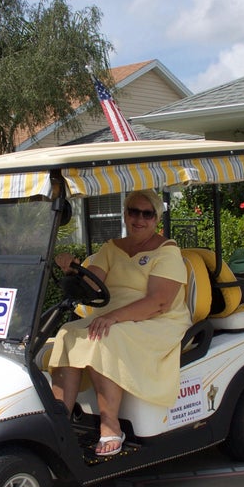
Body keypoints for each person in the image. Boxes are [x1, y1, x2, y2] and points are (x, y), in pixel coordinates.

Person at [47, 188, 192, 457]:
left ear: (156, 219)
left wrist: (112, 317)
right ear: (125, 214)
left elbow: (159, 302)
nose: (139, 219)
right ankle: (59, 423)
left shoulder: (166, 252)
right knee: (67, 332)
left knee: (105, 336)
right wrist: (73, 268)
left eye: (146, 214)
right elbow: (91, 282)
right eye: (133, 212)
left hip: (157, 320)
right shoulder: (111, 248)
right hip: (113, 316)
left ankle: (110, 425)